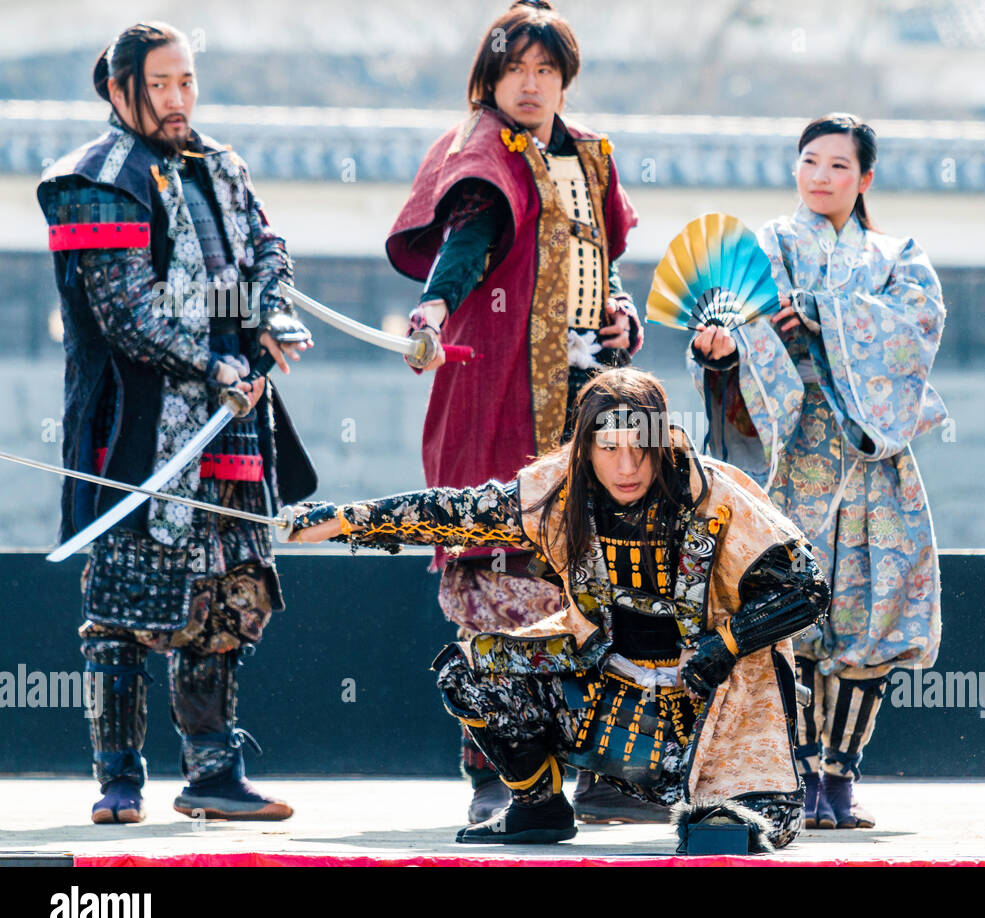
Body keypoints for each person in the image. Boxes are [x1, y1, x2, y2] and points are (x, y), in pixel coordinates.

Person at [289, 368, 829, 849]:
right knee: (472, 671)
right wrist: (344, 520)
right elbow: (457, 512)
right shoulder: (557, 490)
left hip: (715, 706)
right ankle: (537, 806)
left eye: (640, 448)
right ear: (586, 449)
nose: (626, 466)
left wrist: (728, 643)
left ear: (662, 442)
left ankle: (724, 800)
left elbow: (808, 588)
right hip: (607, 690)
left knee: (725, 833)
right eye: (609, 448)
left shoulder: (717, 497)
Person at [37, 22, 316, 823]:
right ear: (120, 90)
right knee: (123, 604)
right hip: (134, 424)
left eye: (185, 82)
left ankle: (212, 774)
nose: (176, 100)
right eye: (159, 85)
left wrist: (266, 311)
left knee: (226, 596)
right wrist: (214, 362)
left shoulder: (221, 166)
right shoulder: (90, 179)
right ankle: (119, 780)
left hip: (229, 424)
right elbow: (127, 312)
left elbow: (268, 247)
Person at [384, 0, 649, 824]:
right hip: (498, 392)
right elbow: (465, 246)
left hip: (586, 405)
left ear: (566, 78)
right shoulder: (482, 155)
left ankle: (611, 769)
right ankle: (497, 775)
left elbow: (597, 265)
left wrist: (621, 318)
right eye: (515, 70)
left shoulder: (592, 156)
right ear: (490, 78)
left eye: (546, 70)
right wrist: (431, 313)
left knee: (609, 576)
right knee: (498, 575)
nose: (531, 86)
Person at [689, 113, 945, 829]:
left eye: (839, 165)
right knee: (790, 610)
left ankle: (841, 777)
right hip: (789, 458)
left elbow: (916, 330)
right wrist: (721, 349)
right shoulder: (762, 250)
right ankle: (797, 776)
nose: (822, 176)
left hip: (873, 456)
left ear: (865, 179)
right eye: (810, 161)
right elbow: (733, 326)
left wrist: (825, 317)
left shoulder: (899, 256)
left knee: (874, 613)